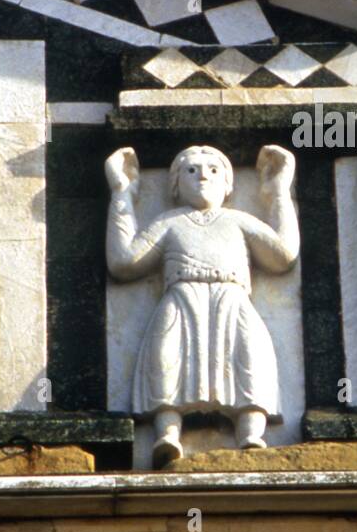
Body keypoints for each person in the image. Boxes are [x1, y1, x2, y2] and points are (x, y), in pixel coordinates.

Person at [105, 144, 299, 468]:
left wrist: (278, 191)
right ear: (176, 184)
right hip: (182, 300)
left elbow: (283, 255)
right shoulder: (170, 222)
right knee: (167, 358)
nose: (203, 177)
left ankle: (250, 431)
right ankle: (167, 432)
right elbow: (124, 262)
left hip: (232, 299)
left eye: (213, 170)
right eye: (191, 170)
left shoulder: (237, 220)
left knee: (248, 356)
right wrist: (122, 193)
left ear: (228, 184)